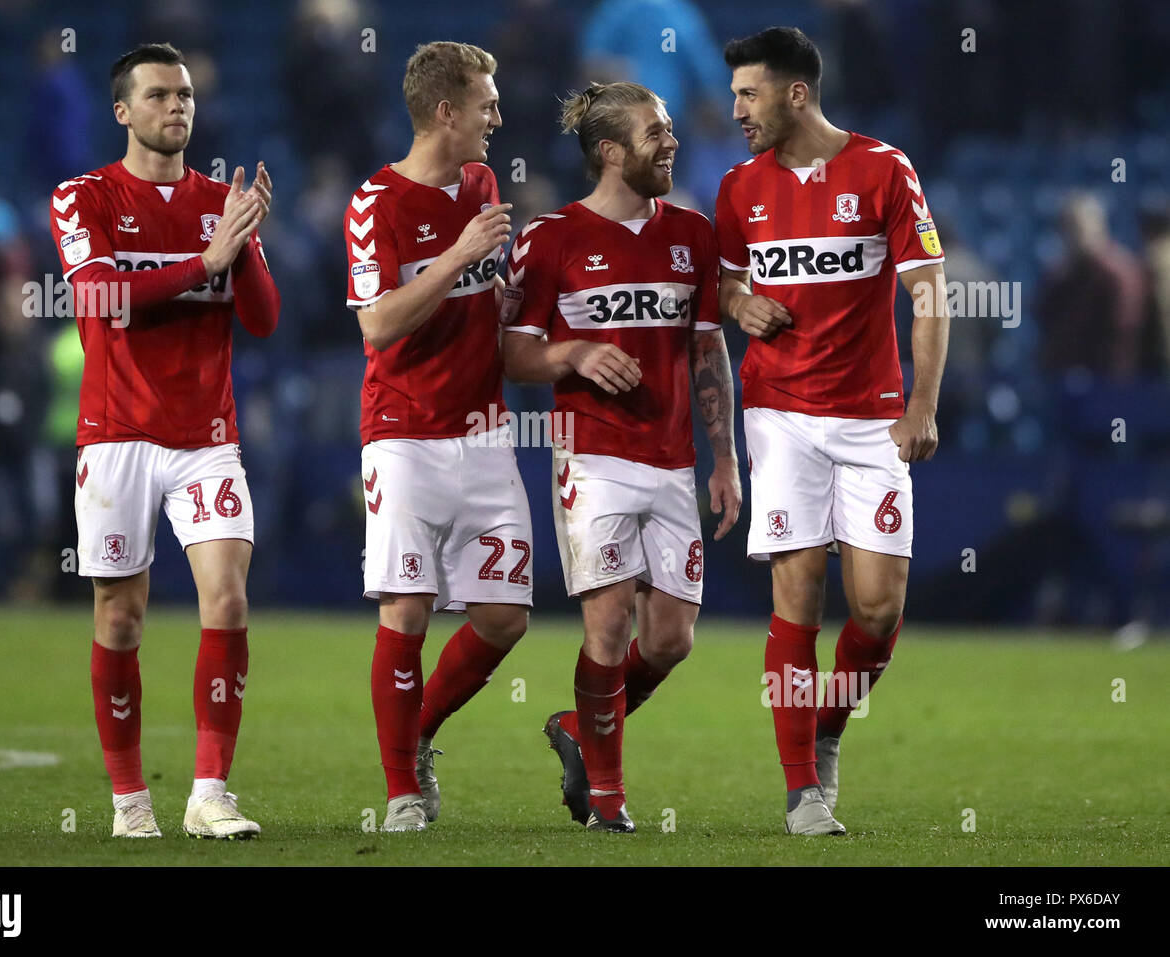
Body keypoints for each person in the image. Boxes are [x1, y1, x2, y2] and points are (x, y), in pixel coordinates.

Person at [715, 27, 948, 835]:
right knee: (798, 591)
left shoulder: (885, 170)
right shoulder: (739, 187)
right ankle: (802, 789)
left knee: (878, 609)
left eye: (749, 94)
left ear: (796, 93)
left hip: (871, 418)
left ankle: (828, 724)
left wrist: (921, 406)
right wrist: (740, 304)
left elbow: (928, 293)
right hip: (778, 412)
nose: (737, 109)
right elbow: (721, 286)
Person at [47, 42, 280, 839]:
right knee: (120, 616)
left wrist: (241, 249)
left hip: (207, 436)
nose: (176, 107)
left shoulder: (223, 200)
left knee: (229, 598)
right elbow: (103, 295)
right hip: (116, 435)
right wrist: (204, 260)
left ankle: (210, 792)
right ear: (123, 110)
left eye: (184, 95)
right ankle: (128, 802)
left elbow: (263, 319)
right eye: (157, 96)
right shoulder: (84, 198)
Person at [502, 82, 740, 832]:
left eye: (669, 130)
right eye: (654, 132)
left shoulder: (693, 236)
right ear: (609, 152)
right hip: (593, 456)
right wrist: (573, 351)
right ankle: (608, 799)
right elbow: (511, 350)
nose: (670, 142)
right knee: (606, 623)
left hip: (671, 460)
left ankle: (579, 725)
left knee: (670, 637)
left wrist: (725, 460)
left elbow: (709, 349)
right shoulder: (551, 238)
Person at [344, 42, 533, 832]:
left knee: (504, 617)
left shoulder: (483, 184)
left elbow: (494, 292)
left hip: (486, 432)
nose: (498, 117)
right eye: (486, 104)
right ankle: (399, 794)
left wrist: (508, 286)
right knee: (408, 610)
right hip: (404, 433)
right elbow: (379, 324)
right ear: (446, 112)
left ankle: (417, 729)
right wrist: (459, 254)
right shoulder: (373, 204)